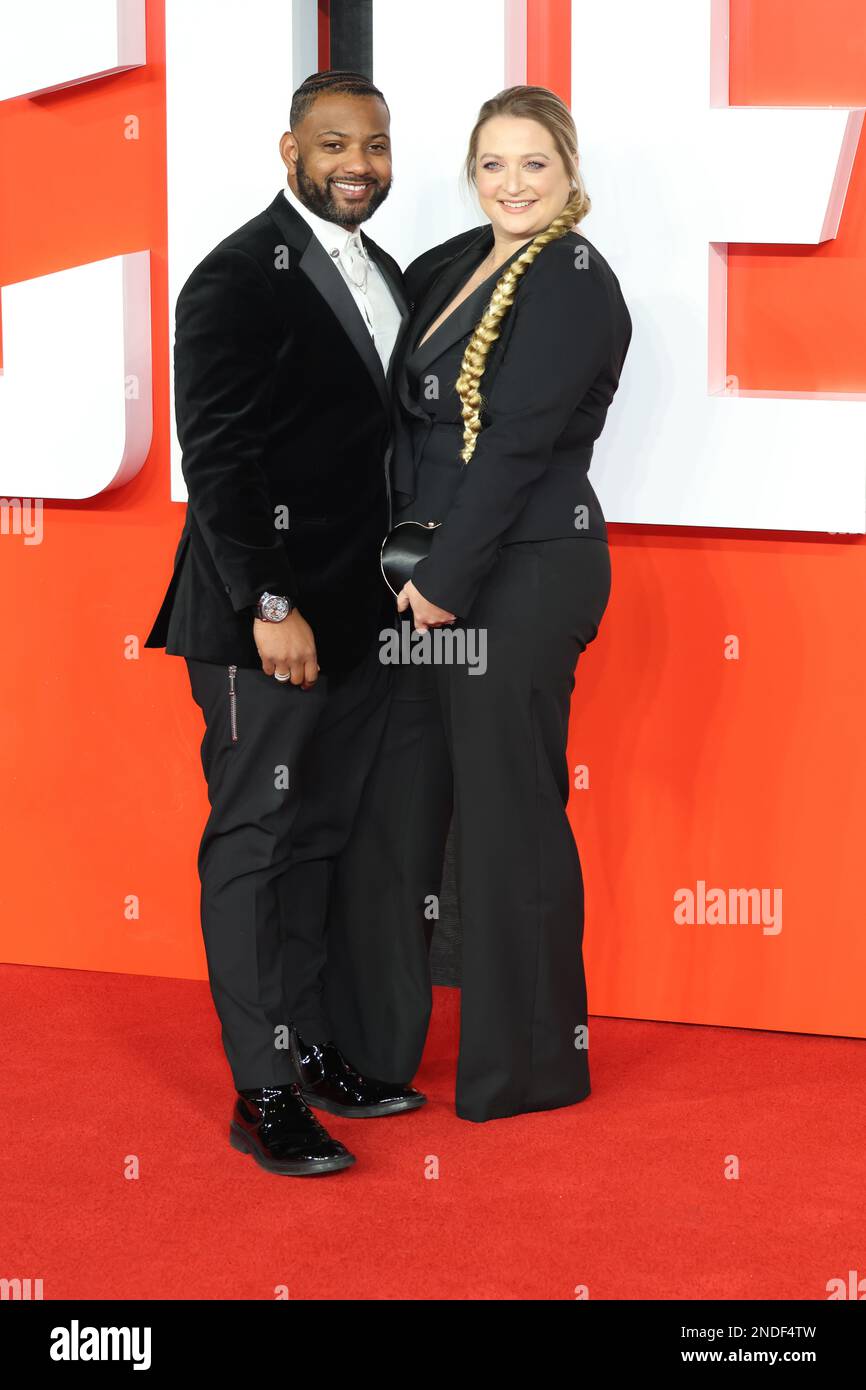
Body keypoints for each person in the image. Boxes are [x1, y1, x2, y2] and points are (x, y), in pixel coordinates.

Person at [324, 84, 633, 1123]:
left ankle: (529, 1067)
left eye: (534, 163)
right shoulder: (453, 263)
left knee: (507, 817)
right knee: (399, 808)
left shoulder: (573, 278)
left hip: (522, 574)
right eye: (493, 163)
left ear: (568, 171)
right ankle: (373, 1053)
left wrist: (444, 583)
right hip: (425, 582)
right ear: (471, 172)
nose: (512, 182)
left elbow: (514, 445)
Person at [144, 70, 425, 1178]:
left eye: (375, 144)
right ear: (289, 151)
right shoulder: (233, 278)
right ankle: (261, 1093)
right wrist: (271, 604)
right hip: (262, 620)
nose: (358, 163)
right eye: (335, 144)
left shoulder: (384, 270)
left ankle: (309, 1050)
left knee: (317, 838)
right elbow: (217, 463)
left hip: (359, 619)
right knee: (255, 846)